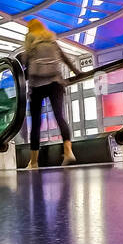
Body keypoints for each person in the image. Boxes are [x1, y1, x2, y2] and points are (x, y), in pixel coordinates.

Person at [22, 19, 81, 168]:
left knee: (36, 123)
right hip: (56, 83)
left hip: (37, 86)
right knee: (60, 116)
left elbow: (26, 69)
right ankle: (68, 152)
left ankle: (34, 162)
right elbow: (65, 59)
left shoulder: (31, 48)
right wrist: (77, 72)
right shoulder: (53, 43)